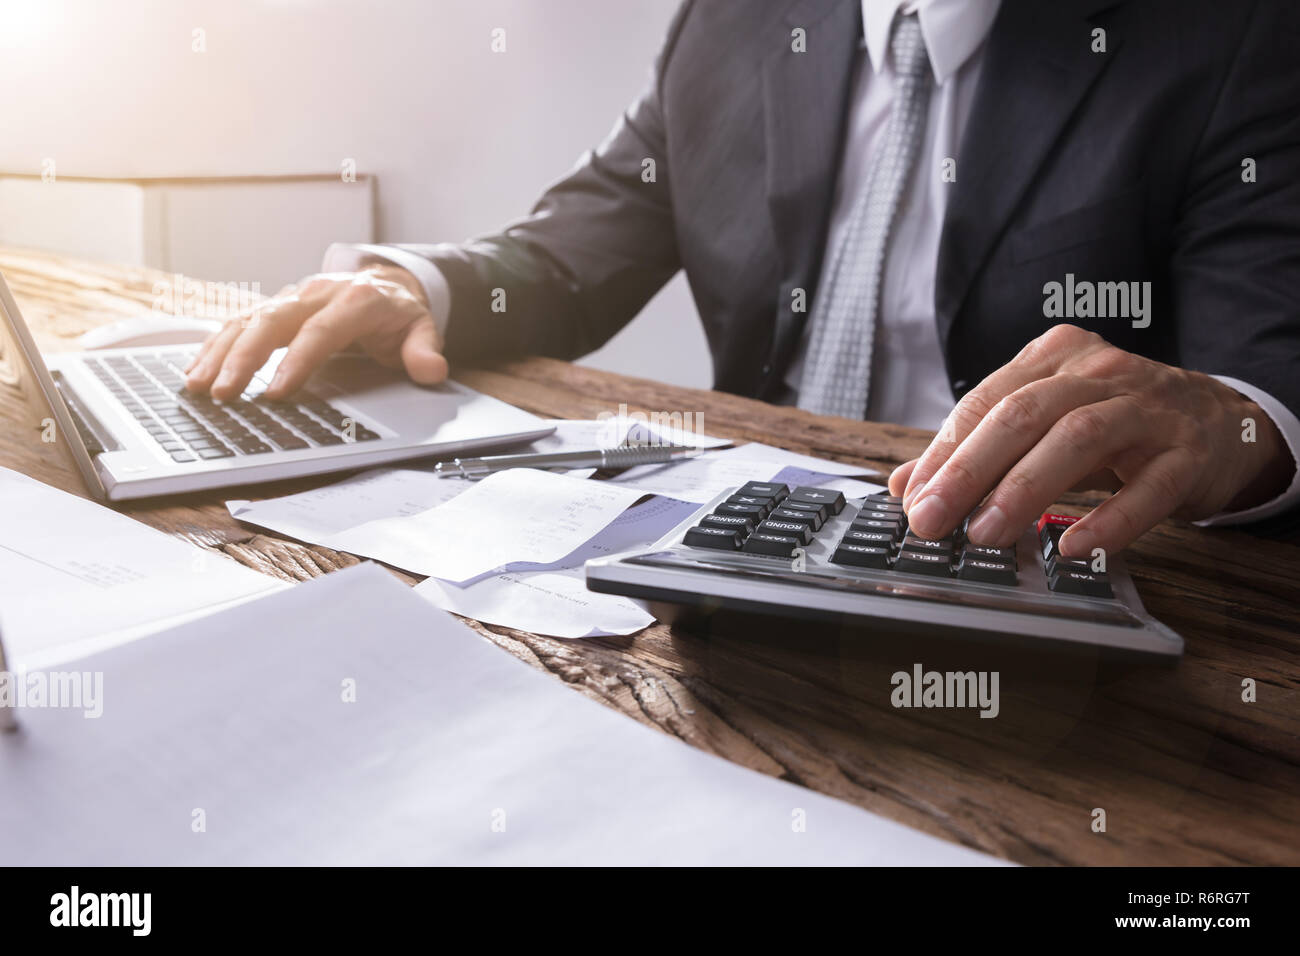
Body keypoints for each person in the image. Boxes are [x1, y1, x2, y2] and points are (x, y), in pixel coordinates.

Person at [185, 0, 1300, 558]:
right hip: (733, 545)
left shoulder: (1232, 38)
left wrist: (1229, 424)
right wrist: (419, 286)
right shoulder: (737, 19)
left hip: (1023, 564)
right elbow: (583, 240)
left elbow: (1257, 395)